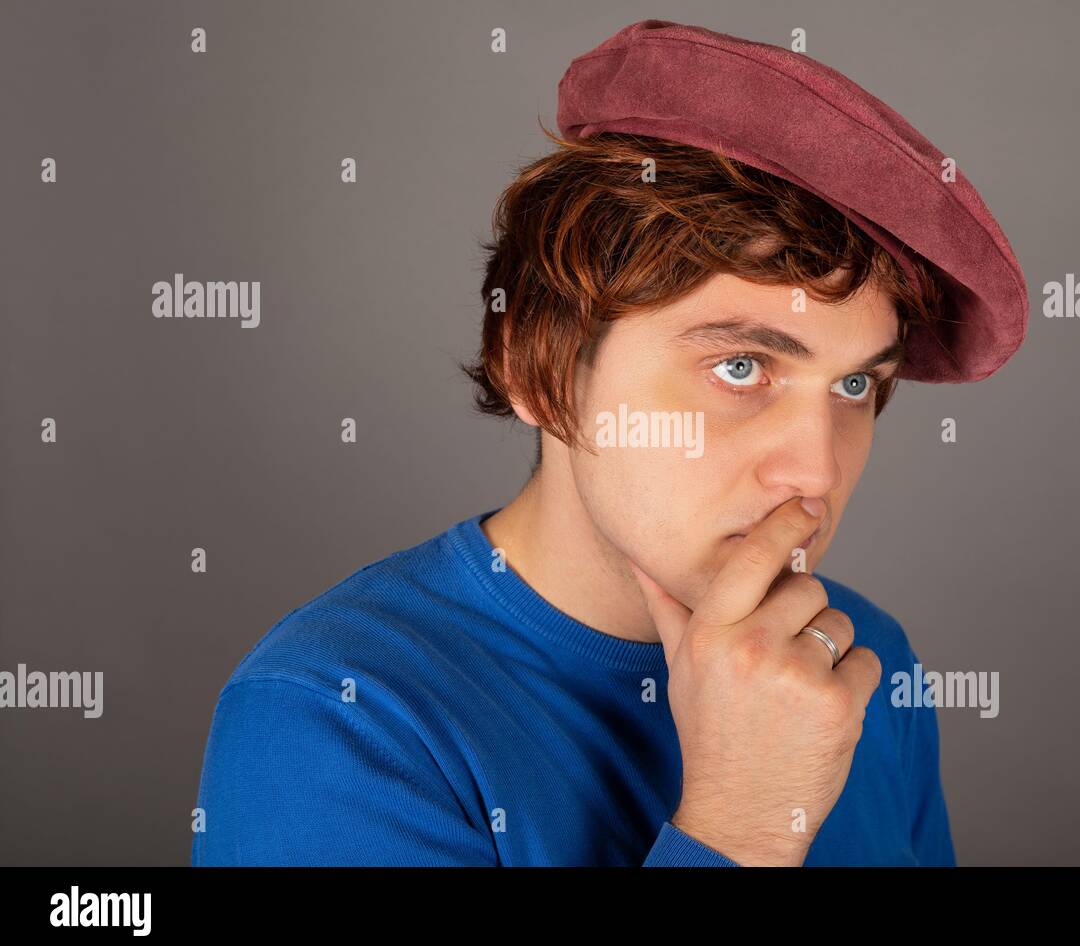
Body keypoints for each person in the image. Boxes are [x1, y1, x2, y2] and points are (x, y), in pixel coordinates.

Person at [192, 19, 1028, 867]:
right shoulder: (337, 716)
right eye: (742, 366)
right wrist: (742, 824)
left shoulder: (860, 661)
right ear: (535, 365)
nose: (815, 469)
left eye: (855, 386)